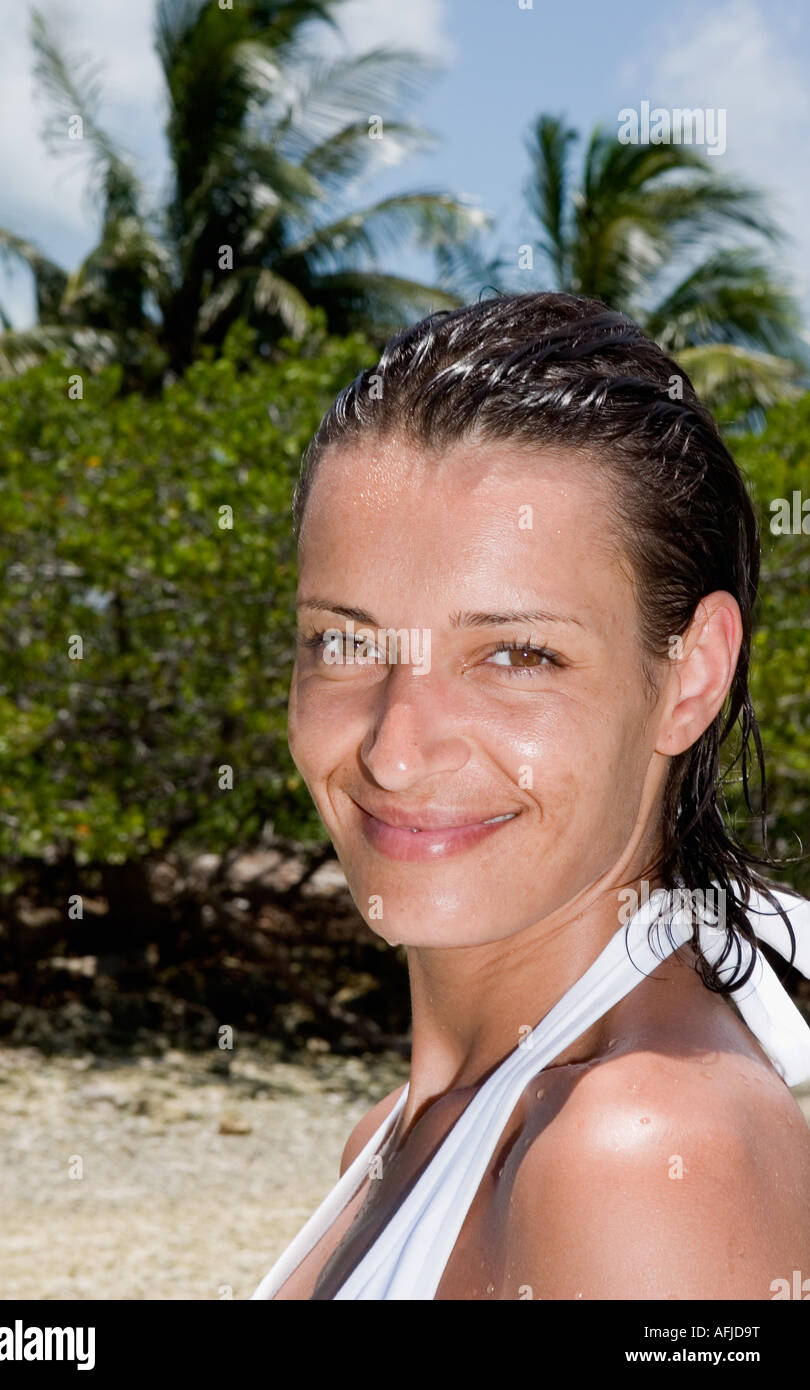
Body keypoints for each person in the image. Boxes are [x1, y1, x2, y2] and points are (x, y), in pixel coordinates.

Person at [250, 291, 810, 1300]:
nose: (396, 749)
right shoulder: (392, 1136)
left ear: (687, 677)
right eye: (346, 642)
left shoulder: (635, 1155)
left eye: (514, 653)